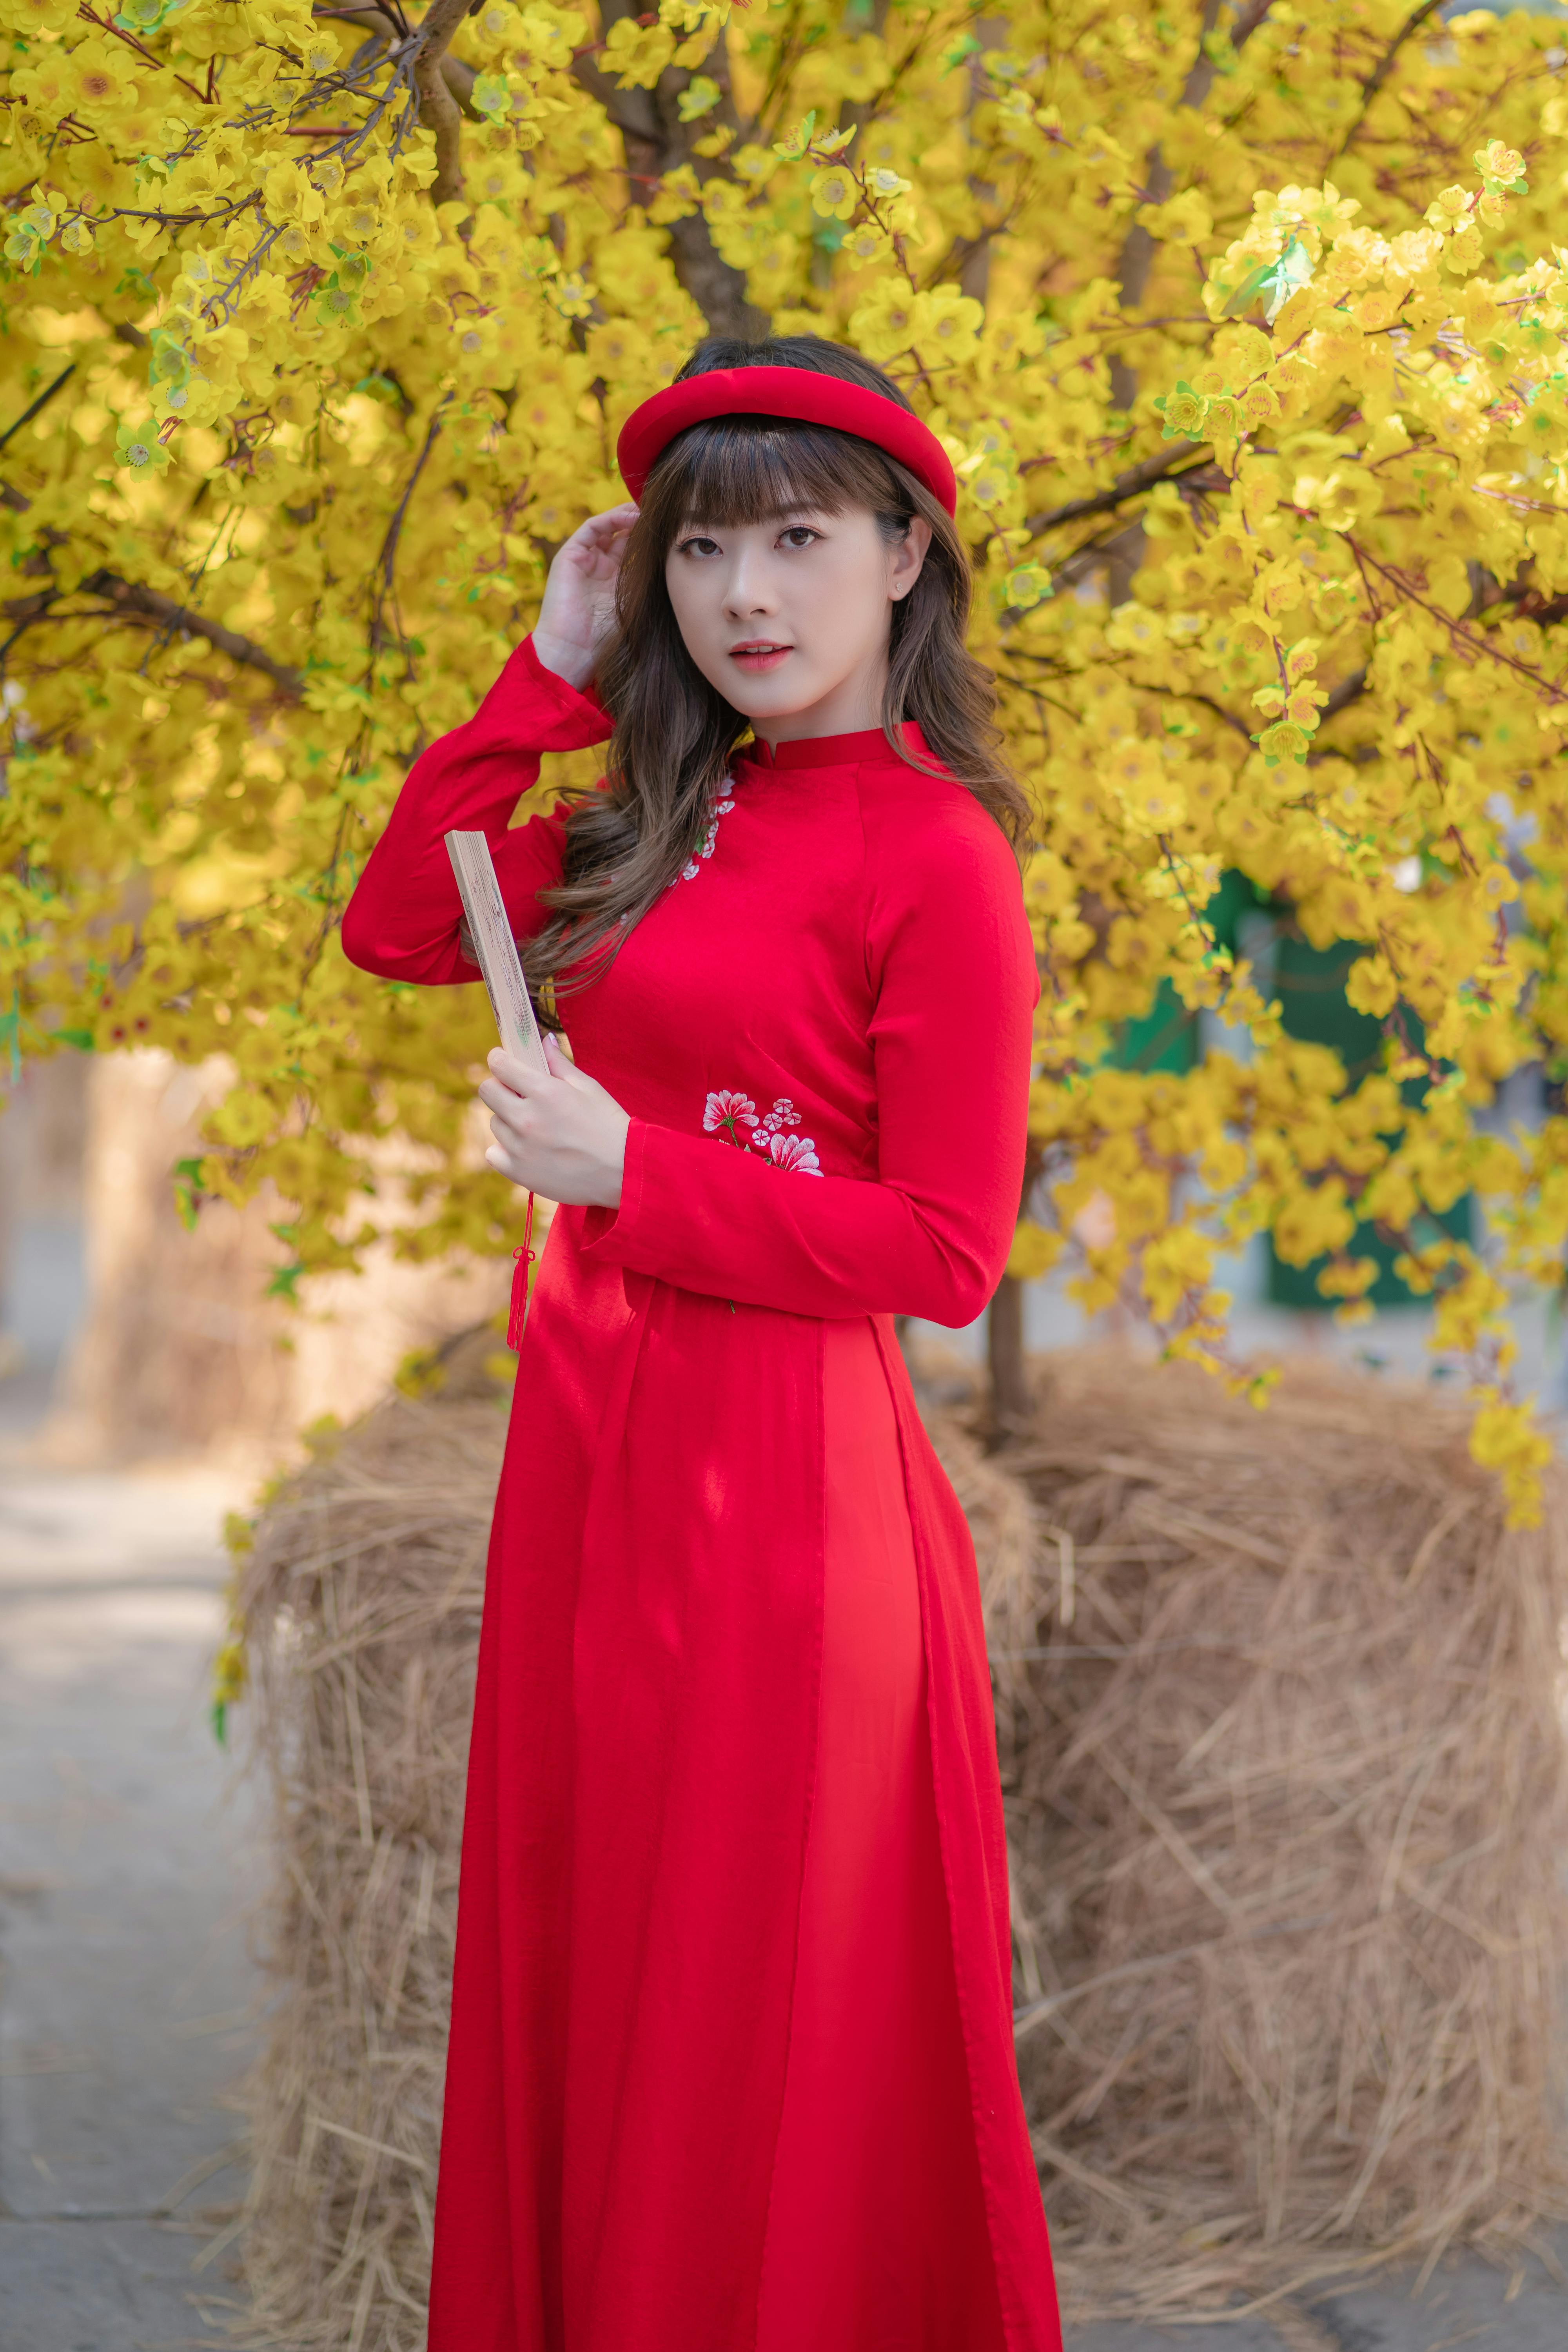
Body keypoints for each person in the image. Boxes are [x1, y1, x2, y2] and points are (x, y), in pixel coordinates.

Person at [341, 333, 1063, 2352]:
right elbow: (404, 925)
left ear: (905, 556)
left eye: (802, 540)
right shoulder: (667, 806)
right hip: (585, 1465)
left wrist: (633, 1170)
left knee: (749, 2032)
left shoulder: (937, 856)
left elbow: (943, 1251)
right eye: (702, 552)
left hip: (783, 1506)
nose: (746, 597)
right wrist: (547, 677)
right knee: (591, 1970)